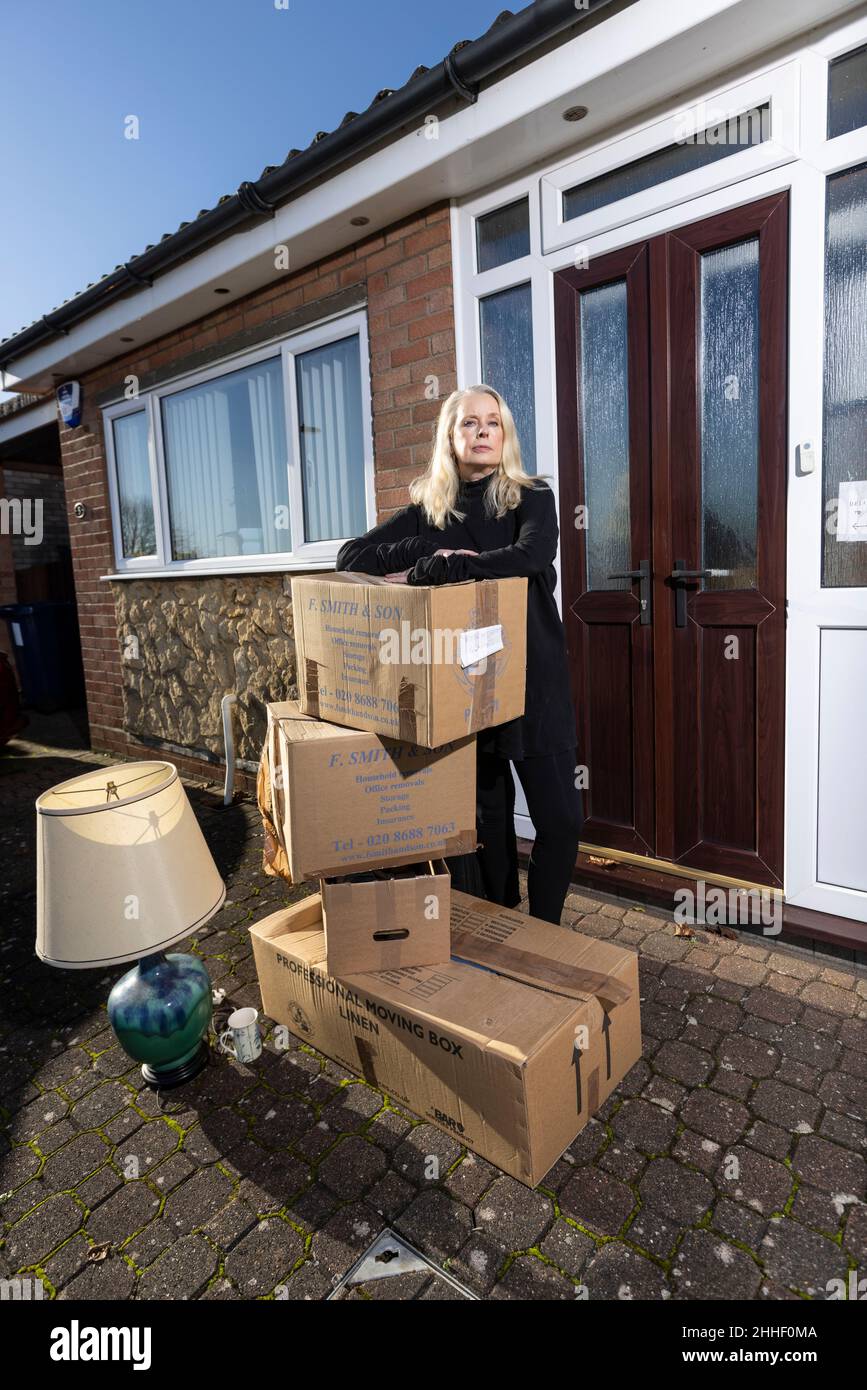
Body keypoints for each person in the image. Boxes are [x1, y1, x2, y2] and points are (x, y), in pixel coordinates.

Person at [336, 384, 582, 925]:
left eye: (493, 422)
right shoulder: (431, 507)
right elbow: (351, 556)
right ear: (450, 436)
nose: (483, 431)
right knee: (489, 820)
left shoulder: (530, 494)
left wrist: (457, 565)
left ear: (505, 434)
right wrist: (428, 548)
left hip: (532, 678)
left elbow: (531, 555)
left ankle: (544, 929)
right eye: (469, 422)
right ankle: (504, 920)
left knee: (561, 820)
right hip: (466, 686)